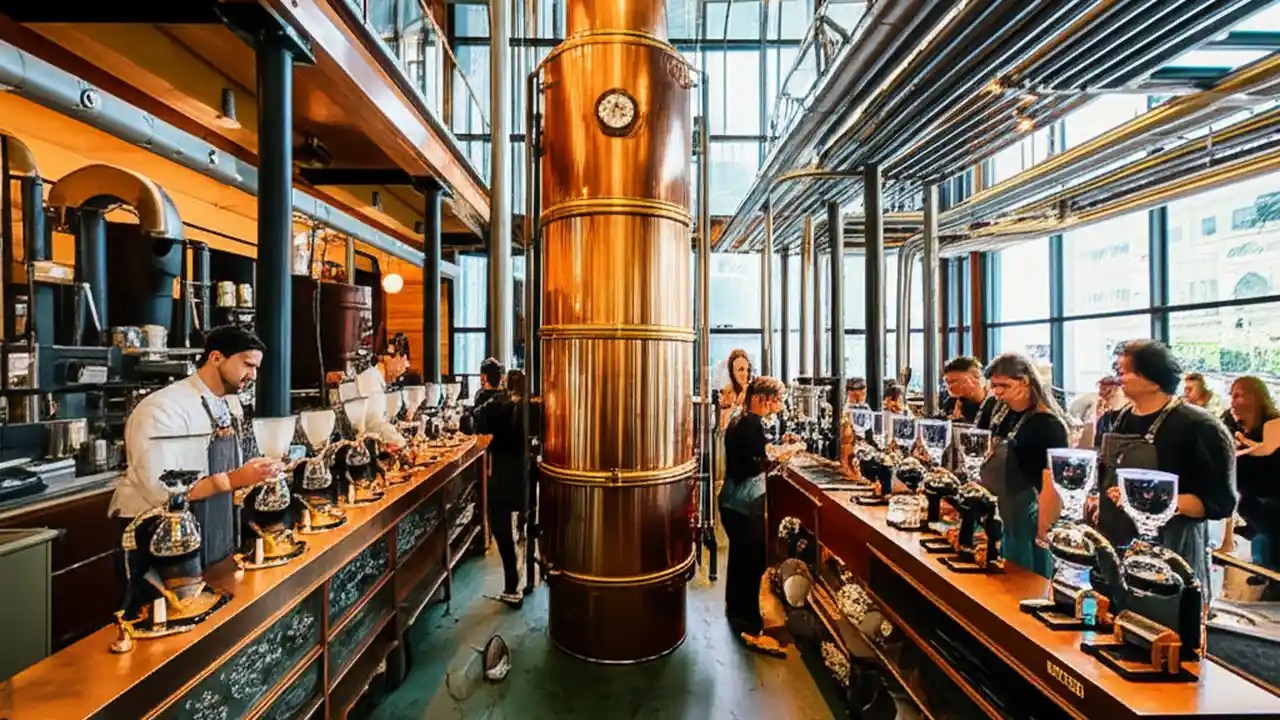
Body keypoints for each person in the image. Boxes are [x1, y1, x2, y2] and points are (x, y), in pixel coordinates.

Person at [109, 326, 281, 568]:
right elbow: (164, 490)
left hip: (212, 529)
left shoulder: (230, 404)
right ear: (216, 357)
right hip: (156, 537)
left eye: (256, 368)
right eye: (247, 365)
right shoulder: (163, 408)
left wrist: (253, 470)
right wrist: (235, 479)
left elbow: (226, 465)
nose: (253, 375)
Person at [1093, 340, 1235, 591]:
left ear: (1153, 379)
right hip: (1115, 546)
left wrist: (1151, 500)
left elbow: (1220, 502)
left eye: (1124, 371)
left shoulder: (1198, 427)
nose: (1118, 378)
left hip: (1172, 552)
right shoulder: (1114, 420)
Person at [720, 376, 801, 656]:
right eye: (776, 401)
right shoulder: (752, 424)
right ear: (762, 399)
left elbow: (749, 457)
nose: (777, 407)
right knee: (751, 562)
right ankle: (748, 621)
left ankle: (735, 612)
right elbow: (753, 466)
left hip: (732, 501)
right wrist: (781, 455)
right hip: (743, 503)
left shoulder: (740, 420)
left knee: (740, 559)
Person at [981, 353, 1070, 578]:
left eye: (1004, 386)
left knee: (1023, 579)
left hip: (1027, 514)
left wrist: (1044, 529)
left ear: (1025, 381)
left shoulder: (1047, 424)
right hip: (999, 511)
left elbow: (1051, 481)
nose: (998, 392)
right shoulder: (1003, 411)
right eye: (994, 386)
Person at [473, 368, 530, 608]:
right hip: (525, 475)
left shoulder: (500, 405)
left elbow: (475, 419)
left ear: (506, 383)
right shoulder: (531, 406)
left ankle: (511, 583)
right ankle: (524, 562)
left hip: (501, 475)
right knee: (524, 525)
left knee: (501, 530)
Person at [1220, 376, 1280, 570]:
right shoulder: (1232, 424)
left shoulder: (1273, 424)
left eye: (1239, 396)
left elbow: (1265, 450)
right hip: (1253, 513)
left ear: (1255, 398)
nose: (1233, 401)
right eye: (1232, 396)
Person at [940, 356, 995, 425]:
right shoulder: (951, 402)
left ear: (977, 380)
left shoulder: (995, 403)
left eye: (954, 381)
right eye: (947, 382)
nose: (950, 387)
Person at [719, 348, 752, 431]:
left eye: (747, 370)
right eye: (740, 370)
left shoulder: (753, 393)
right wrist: (737, 406)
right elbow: (724, 426)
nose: (745, 374)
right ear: (732, 373)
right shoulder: (726, 394)